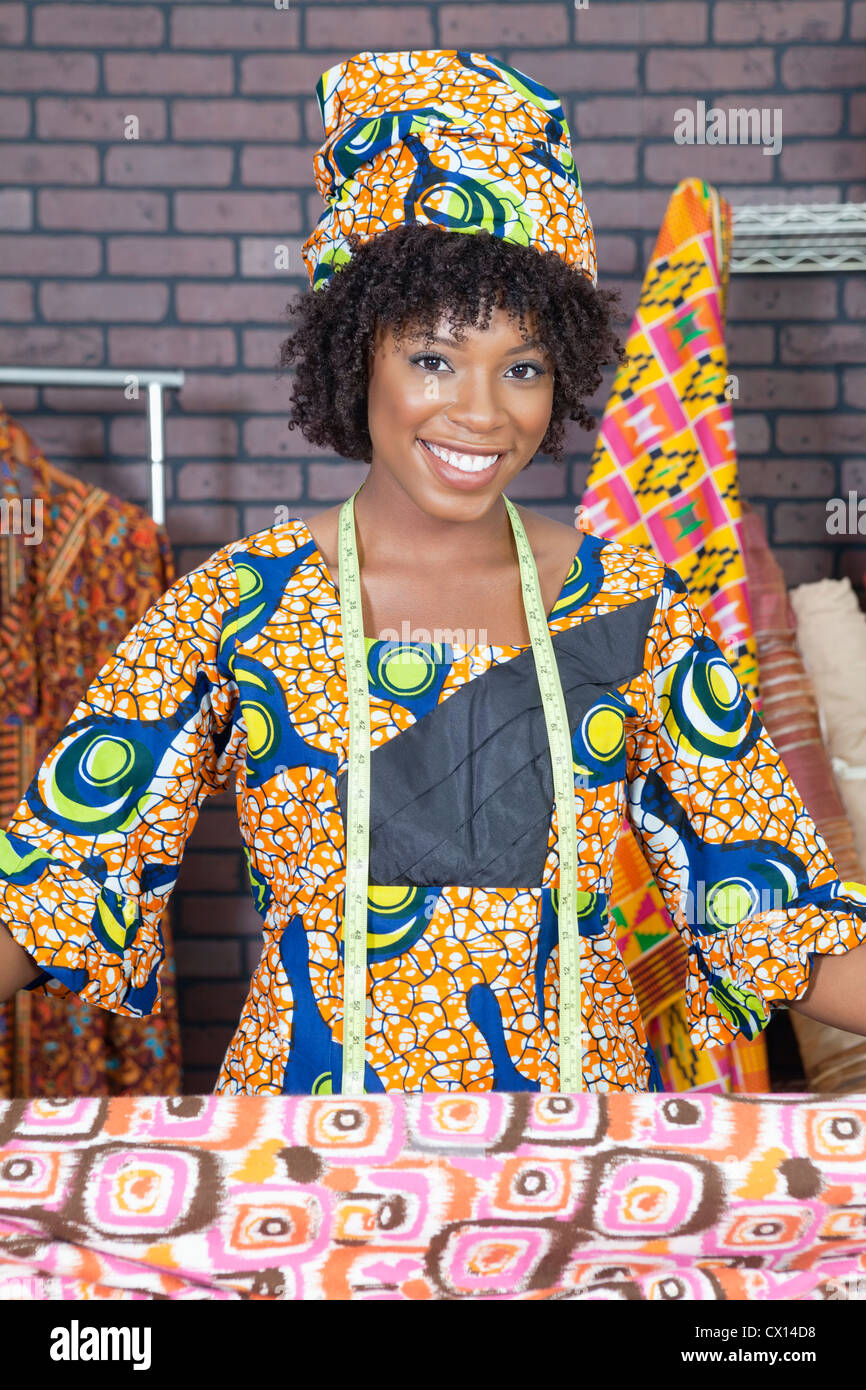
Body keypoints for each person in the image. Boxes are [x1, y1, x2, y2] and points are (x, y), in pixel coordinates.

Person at [2, 48, 866, 1097]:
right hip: (307, 1158)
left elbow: (776, 913)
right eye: (432, 358)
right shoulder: (240, 602)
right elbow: (53, 886)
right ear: (355, 350)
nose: (481, 411)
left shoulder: (630, 606)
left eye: (522, 367)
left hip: (583, 1160)